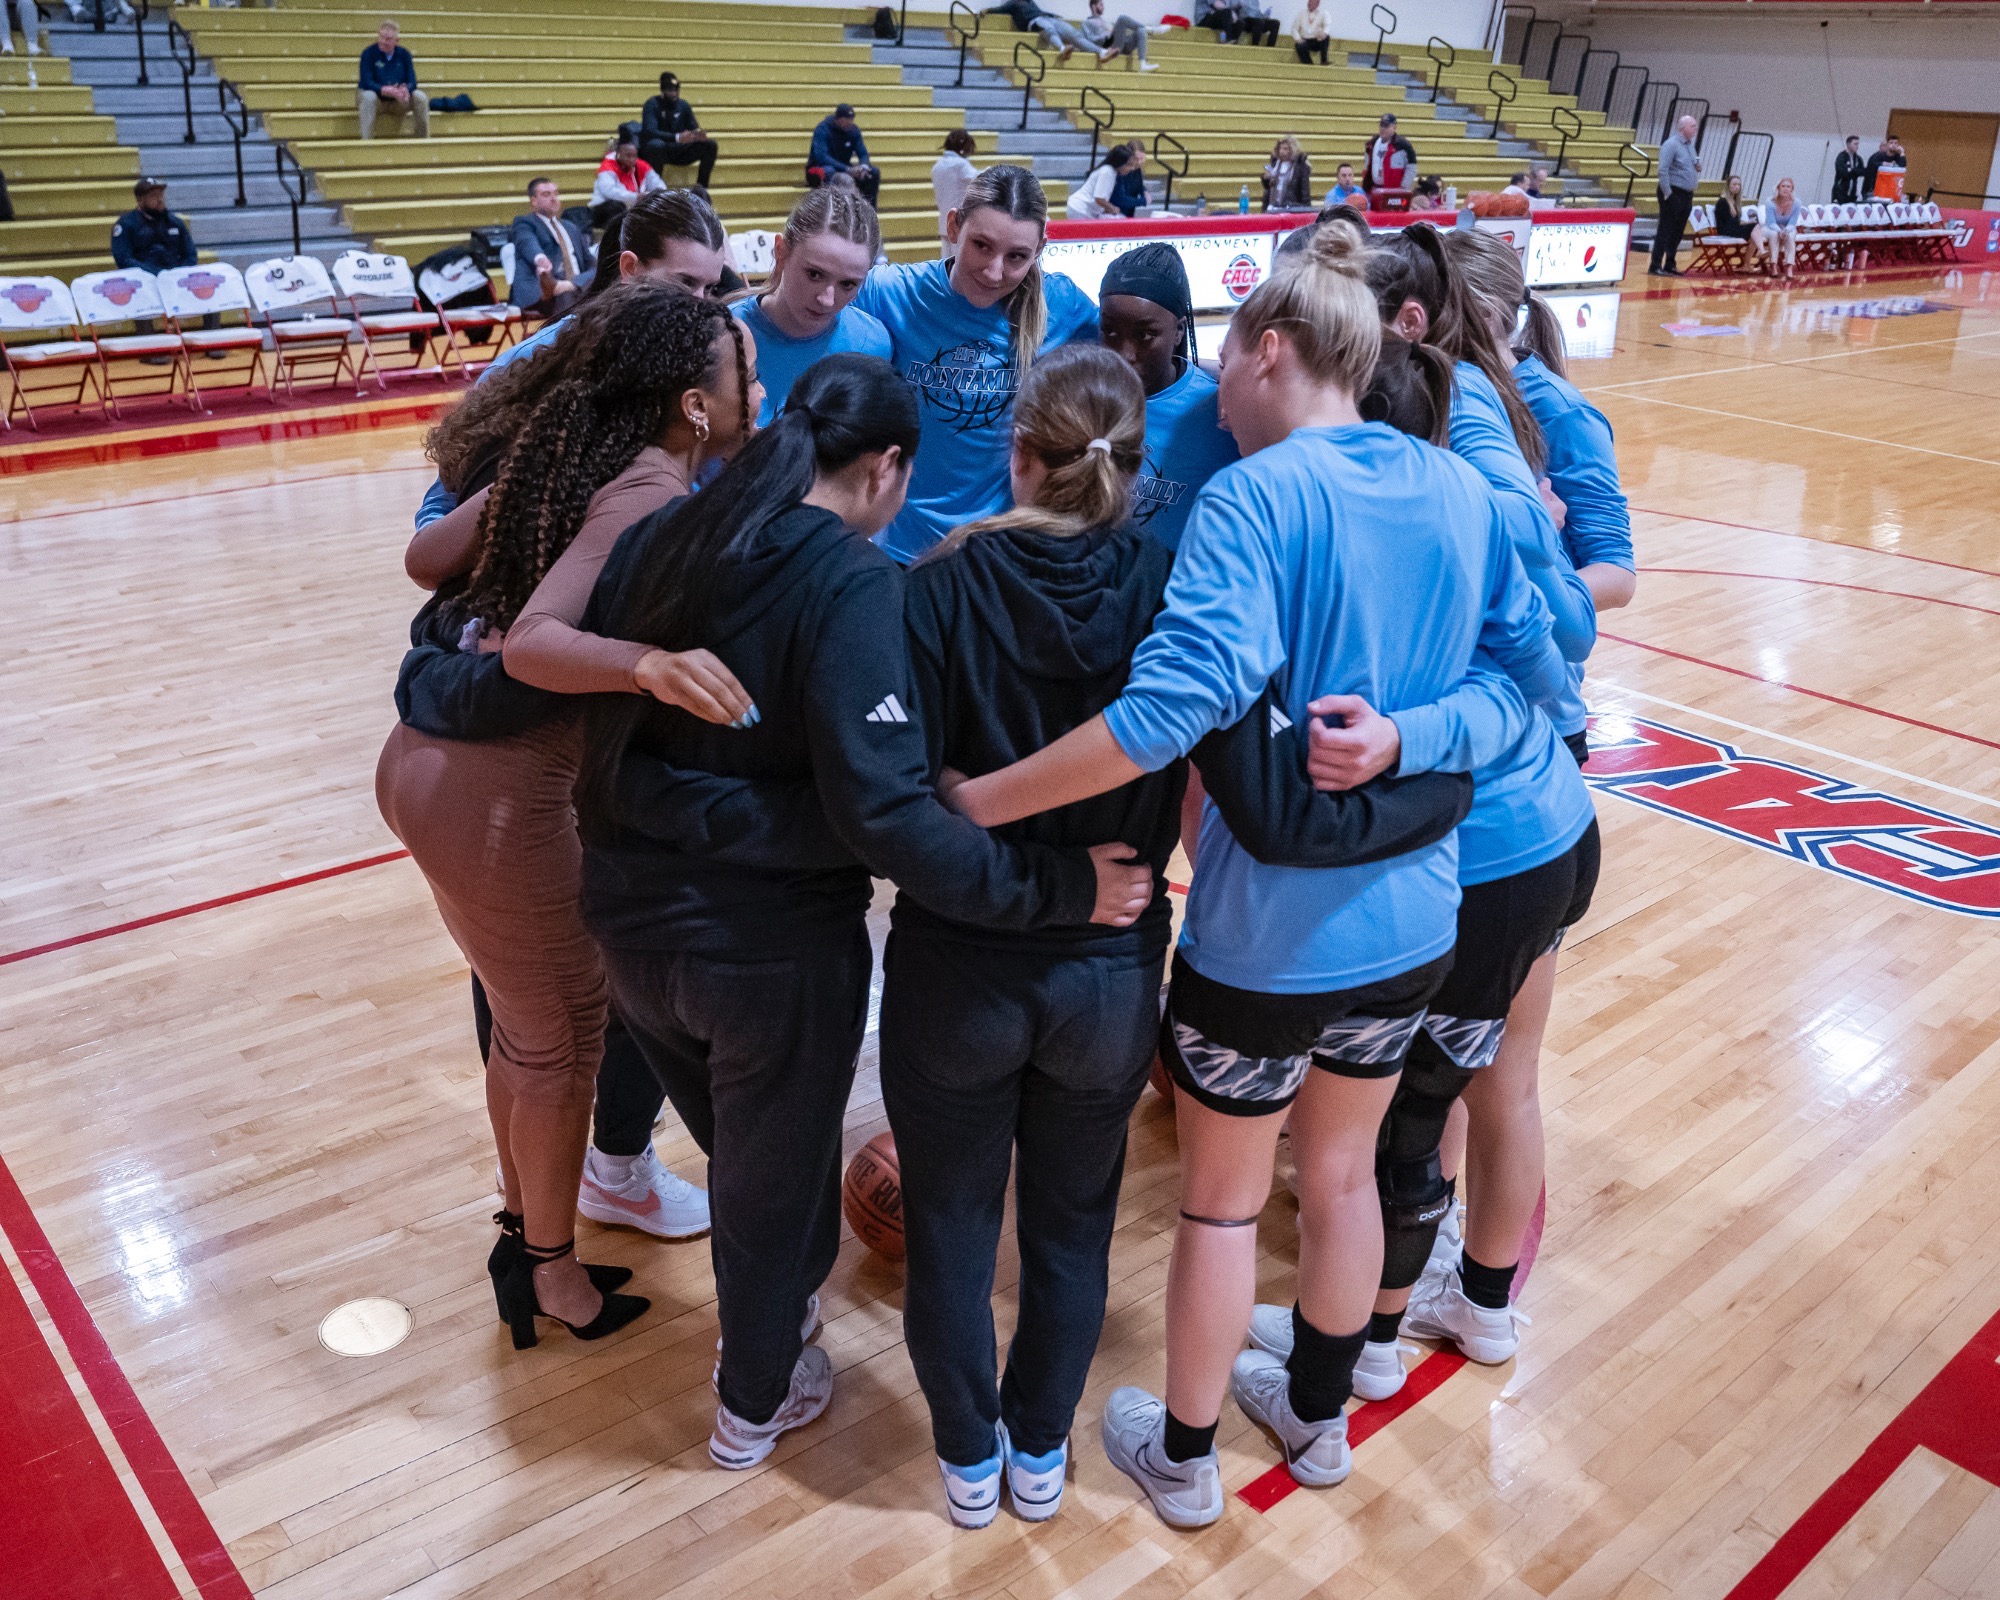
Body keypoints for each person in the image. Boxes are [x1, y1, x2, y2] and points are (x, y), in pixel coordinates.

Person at [945, 228, 1570, 1529]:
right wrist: (1414, 737)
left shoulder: (1252, 494)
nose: (1213, 399)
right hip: (1415, 920)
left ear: (1270, 351)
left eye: (1227, 369)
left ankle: (1181, 1458)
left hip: (1263, 939)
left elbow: (1169, 708)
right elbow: (1533, 687)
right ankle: (1322, 1422)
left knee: (1228, 1211)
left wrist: (982, 800)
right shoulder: (1460, 489)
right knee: (1345, 1179)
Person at [572, 353, 1153, 1471]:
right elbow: (884, 812)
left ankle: (784, 1318)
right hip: (767, 950)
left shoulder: (659, 539)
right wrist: (1058, 887)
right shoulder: (857, 583)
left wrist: (682, 808)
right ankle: (750, 1407)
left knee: (753, 1158)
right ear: (888, 467)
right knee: (768, 1178)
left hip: (629, 930)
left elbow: (599, 755)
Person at [1241, 227, 1602, 1402]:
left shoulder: (1457, 468)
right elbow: (1544, 667)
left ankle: (1360, 1350)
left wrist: (1416, 732)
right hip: (1546, 818)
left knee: (1410, 1118)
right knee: (1489, 1085)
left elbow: (1560, 630)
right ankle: (1479, 1307)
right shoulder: (1452, 433)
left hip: (1495, 840)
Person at [378, 283, 764, 1351]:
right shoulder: (643, 486)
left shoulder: (569, 454)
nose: (759, 387)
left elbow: (424, 559)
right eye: (744, 374)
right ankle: (549, 1274)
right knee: (561, 1041)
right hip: (493, 789)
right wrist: (645, 663)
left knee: (524, 1023)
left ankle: (526, 1230)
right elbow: (540, 641)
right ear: (692, 404)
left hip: (423, 758)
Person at [855, 163, 1099, 563]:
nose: (993, 270)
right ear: (954, 227)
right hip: (899, 543)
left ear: (1039, 251)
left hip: (999, 545)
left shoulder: (1062, 305)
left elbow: (1133, 359)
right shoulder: (893, 293)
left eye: (1017, 256)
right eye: (981, 245)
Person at [1096, 241, 1238, 551]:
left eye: (1144, 335)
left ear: (1178, 332)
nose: (1125, 354)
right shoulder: (1088, 396)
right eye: (1110, 332)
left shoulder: (1219, 412)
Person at [731, 187, 891, 426]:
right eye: (814, 274)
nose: (827, 300)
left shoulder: (872, 344)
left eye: (847, 284)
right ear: (781, 252)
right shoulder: (725, 333)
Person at [509, 177, 595, 314]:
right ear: (533, 201)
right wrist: (540, 259)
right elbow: (527, 242)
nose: (553, 198)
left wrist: (575, 283)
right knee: (567, 297)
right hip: (545, 292)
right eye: (546, 194)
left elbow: (591, 263)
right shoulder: (524, 223)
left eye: (555, 193)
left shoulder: (571, 227)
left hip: (575, 287)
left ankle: (569, 286)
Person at [639, 72, 718, 190]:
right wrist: (676, 137)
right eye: (670, 90)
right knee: (655, 145)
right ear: (663, 91)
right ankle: (654, 190)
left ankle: (701, 189)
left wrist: (697, 135)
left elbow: (693, 127)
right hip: (662, 150)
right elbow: (650, 131)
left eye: (676, 90)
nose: (674, 94)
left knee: (710, 145)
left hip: (680, 150)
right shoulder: (652, 104)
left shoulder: (683, 105)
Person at [358, 19, 429, 140]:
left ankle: (422, 140)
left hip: (398, 100)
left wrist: (405, 89)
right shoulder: (368, 53)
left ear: (396, 41)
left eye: (388, 39)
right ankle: (366, 142)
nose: (383, 41)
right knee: (368, 96)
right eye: (381, 37)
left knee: (420, 97)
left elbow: (412, 81)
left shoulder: (404, 54)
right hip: (377, 100)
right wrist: (386, 89)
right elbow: (366, 82)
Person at [1649, 113, 1700, 276]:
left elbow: (1691, 163)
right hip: (1673, 192)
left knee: (1678, 230)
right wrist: (1668, 194)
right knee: (1665, 228)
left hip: (1686, 194)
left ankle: (1670, 263)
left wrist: (1697, 166)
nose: (1695, 129)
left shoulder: (1690, 145)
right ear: (1683, 127)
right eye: (1693, 126)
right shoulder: (1671, 145)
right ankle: (1655, 264)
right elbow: (1663, 170)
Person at [808, 104, 880, 207]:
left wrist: (863, 167)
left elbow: (863, 153)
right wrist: (847, 169)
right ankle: (833, 211)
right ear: (838, 119)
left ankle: (869, 211)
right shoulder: (822, 129)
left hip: (844, 168)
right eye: (846, 119)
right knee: (830, 171)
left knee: (873, 172)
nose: (849, 122)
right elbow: (821, 157)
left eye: (851, 119)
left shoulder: (854, 130)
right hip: (818, 168)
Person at [591, 138, 667, 231]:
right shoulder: (607, 167)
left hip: (631, 207)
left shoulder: (641, 165)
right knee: (617, 207)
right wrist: (636, 197)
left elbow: (660, 186)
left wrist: (650, 195)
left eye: (634, 156)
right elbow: (609, 192)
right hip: (604, 209)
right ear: (618, 154)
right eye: (628, 156)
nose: (632, 159)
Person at [1067, 143, 1143, 220]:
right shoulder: (1107, 172)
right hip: (1080, 210)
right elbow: (1099, 198)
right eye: (1128, 165)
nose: (1132, 168)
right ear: (1119, 162)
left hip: (1083, 210)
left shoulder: (1111, 172)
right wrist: (1112, 208)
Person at [933, 130, 979, 253]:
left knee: (946, 262)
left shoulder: (938, 165)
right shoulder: (960, 165)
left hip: (945, 220)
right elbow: (981, 179)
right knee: (958, 262)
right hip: (960, 221)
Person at [1081, 0, 1159, 70]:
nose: (1103, 7)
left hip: (1122, 44)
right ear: (1093, 6)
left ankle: (1143, 64)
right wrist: (1105, 36)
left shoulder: (1105, 21)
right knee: (1121, 18)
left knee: (1140, 30)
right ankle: (1151, 29)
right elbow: (1089, 40)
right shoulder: (1086, 23)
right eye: (1101, 5)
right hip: (1110, 47)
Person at [1710, 173, 1764, 270]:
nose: (1737, 187)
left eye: (1739, 185)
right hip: (1725, 230)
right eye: (1734, 184)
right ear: (1728, 186)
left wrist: (1747, 223)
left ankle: (1746, 265)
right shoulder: (1723, 201)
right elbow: (1730, 223)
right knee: (1755, 227)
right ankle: (1761, 250)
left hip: (1733, 228)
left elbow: (1736, 221)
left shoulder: (1735, 201)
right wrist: (1747, 223)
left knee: (1754, 235)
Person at [1363, 114, 1416, 203]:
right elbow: (1367, 166)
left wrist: (1402, 189)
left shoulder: (1403, 145)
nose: (1382, 128)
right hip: (1374, 189)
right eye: (1381, 125)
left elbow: (1412, 168)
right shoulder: (1371, 144)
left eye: (1386, 126)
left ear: (1394, 127)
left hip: (1394, 192)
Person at [1761, 176, 1802, 278]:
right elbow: (1770, 222)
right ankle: (1773, 265)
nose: (1785, 188)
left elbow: (1793, 222)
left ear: (1792, 189)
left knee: (1791, 236)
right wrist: (1780, 231)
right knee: (1774, 234)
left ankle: (1789, 266)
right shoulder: (1770, 201)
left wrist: (1786, 231)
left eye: (1788, 186)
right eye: (1783, 186)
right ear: (1778, 188)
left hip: (1788, 227)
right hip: (1770, 227)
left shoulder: (1796, 203)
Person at [1262, 137, 1313, 211]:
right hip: (1272, 207)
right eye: (1280, 148)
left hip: (1291, 208)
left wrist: (1307, 210)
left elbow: (1305, 193)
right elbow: (1268, 191)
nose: (1281, 151)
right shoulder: (1275, 164)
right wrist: (1266, 180)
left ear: (1293, 150)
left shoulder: (1300, 168)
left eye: (1285, 149)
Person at [1865, 136, 1906, 203]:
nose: (1893, 145)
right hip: (1875, 188)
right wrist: (1883, 164)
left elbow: (1902, 166)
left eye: (1896, 143)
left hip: (1891, 189)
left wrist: (1902, 153)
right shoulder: (1879, 156)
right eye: (1891, 143)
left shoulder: (1898, 157)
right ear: (1887, 144)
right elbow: (1872, 167)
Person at [1290, 0, 1329, 64]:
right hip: (1304, 40)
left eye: (1311, 1)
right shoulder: (1301, 13)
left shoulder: (1324, 13)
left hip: (1316, 40)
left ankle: (1324, 61)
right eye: (1309, 1)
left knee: (1326, 37)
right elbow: (1294, 29)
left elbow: (1327, 25)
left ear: (1317, 3)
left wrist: (1323, 34)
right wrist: (1298, 39)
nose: (1309, 3)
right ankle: (1309, 64)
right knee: (1299, 46)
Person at [1832, 135, 1866, 205]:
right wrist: (1854, 171)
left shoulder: (1858, 158)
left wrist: (1853, 171)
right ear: (1848, 144)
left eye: (1858, 144)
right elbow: (1843, 172)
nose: (1857, 146)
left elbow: (1863, 171)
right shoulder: (1841, 157)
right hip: (1840, 191)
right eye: (1855, 144)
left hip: (1853, 193)